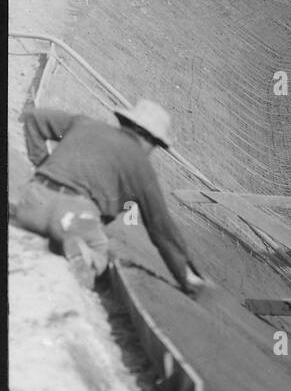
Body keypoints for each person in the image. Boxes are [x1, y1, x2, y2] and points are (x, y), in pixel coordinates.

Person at [15, 98, 206, 297]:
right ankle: (87, 255)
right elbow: (161, 230)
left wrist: (43, 162)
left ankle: (58, 236)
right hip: (72, 216)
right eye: (156, 145)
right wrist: (185, 278)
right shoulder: (140, 164)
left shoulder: (85, 123)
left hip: (33, 202)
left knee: (55, 216)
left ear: (126, 123)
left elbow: (34, 118)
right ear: (149, 139)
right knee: (100, 251)